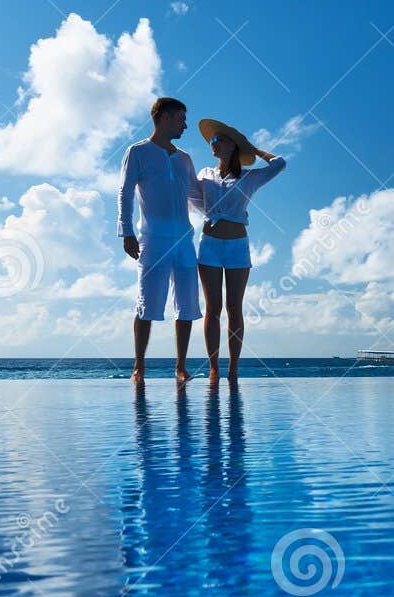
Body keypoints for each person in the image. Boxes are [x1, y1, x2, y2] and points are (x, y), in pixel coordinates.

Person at [118, 97, 207, 386]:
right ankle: (138, 366)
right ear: (166, 117)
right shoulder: (138, 152)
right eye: (182, 118)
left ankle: (180, 366)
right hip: (153, 240)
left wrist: (219, 213)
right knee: (147, 303)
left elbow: (194, 195)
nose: (186, 125)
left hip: (184, 240)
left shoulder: (185, 158)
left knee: (187, 304)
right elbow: (125, 192)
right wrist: (126, 231)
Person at [194, 118, 287, 387]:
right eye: (212, 140)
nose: (213, 143)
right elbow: (190, 196)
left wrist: (254, 150)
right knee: (213, 308)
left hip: (237, 247)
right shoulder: (204, 174)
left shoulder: (249, 178)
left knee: (234, 309)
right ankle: (213, 367)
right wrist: (208, 213)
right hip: (209, 245)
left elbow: (280, 163)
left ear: (232, 146)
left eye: (219, 140)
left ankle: (233, 367)